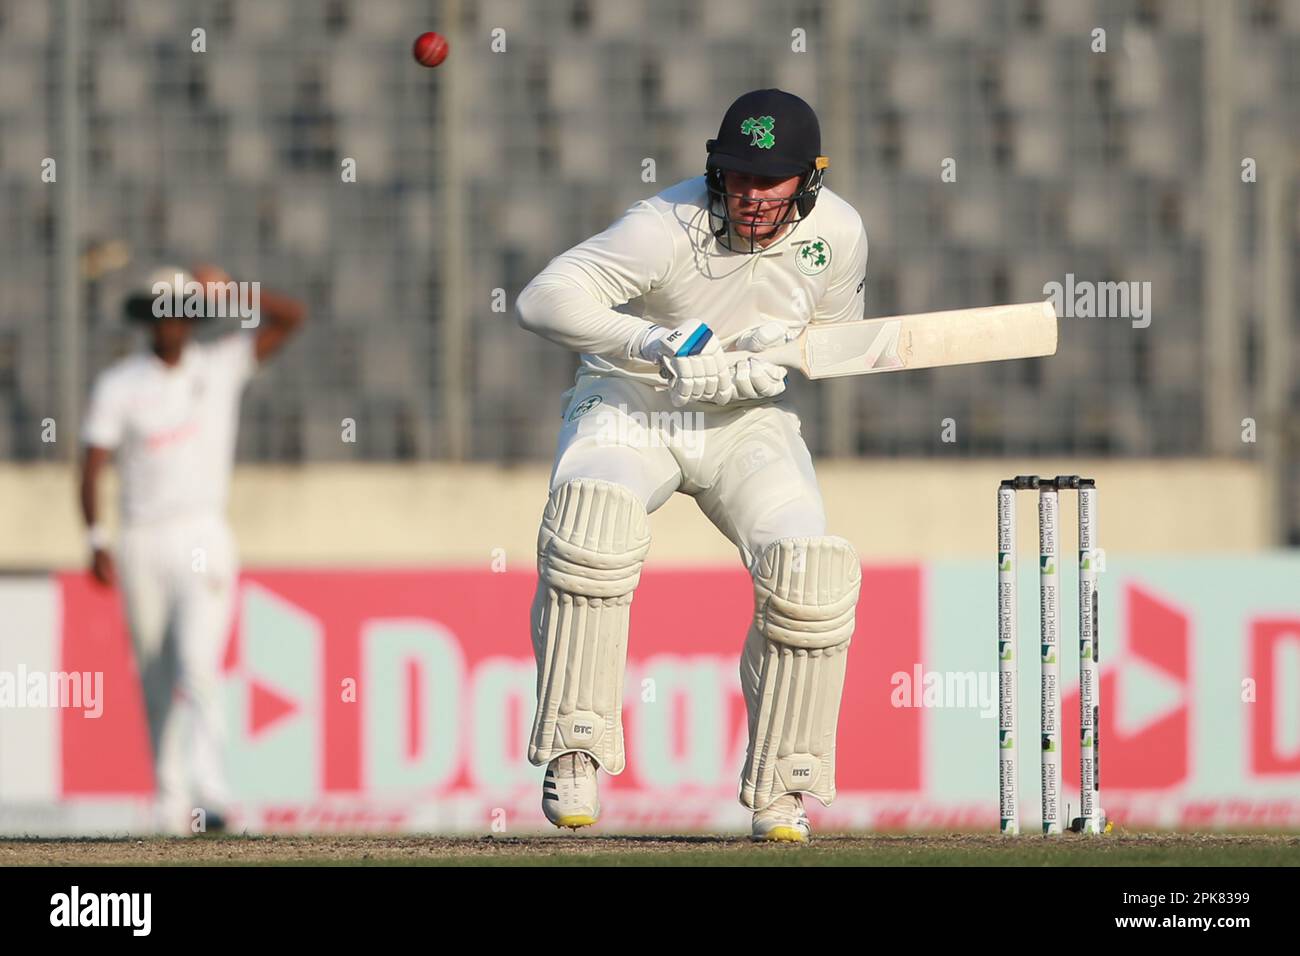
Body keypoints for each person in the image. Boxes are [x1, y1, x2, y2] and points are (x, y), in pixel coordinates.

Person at [515, 89, 868, 842]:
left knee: (810, 572)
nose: (750, 196)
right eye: (738, 177)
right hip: (635, 403)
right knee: (593, 526)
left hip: (746, 425)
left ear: (809, 179)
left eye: (768, 182)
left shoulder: (838, 234)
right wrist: (651, 344)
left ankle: (783, 787)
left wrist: (770, 360)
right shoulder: (663, 225)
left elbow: (839, 345)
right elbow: (541, 300)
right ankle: (576, 747)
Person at [79, 264, 305, 835]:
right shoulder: (120, 384)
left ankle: (213, 796)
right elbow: (91, 465)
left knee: (199, 663)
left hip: (203, 533)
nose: (171, 324)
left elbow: (292, 316)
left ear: (192, 318)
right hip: (140, 538)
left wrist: (232, 291)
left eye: (180, 312)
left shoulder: (220, 365)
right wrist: (95, 537)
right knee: (154, 675)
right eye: (161, 313)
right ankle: (169, 800)